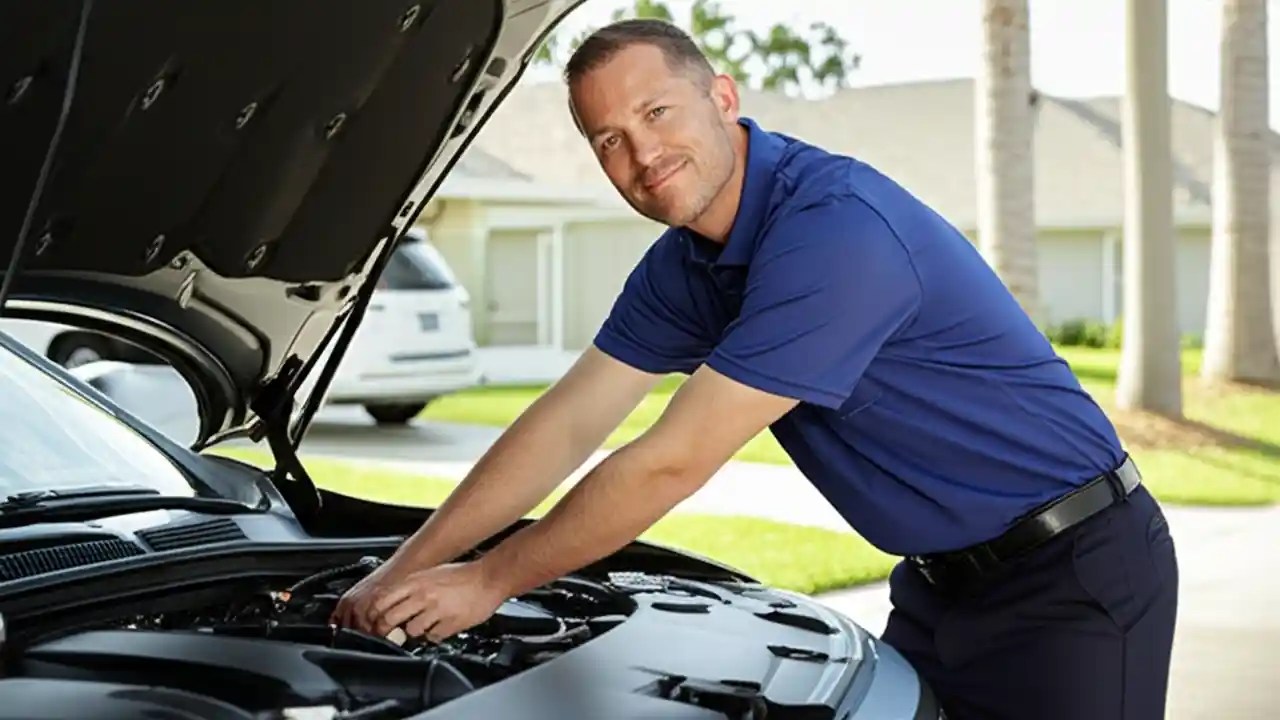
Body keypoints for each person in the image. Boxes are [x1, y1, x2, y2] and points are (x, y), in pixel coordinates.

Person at [331, 18, 1178, 719]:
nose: (642, 153)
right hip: (938, 588)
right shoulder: (686, 265)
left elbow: (670, 459)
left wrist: (488, 582)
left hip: (1072, 577)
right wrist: (404, 570)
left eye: (658, 112)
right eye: (609, 140)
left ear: (723, 97)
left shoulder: (835, 233)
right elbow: (569, 420)